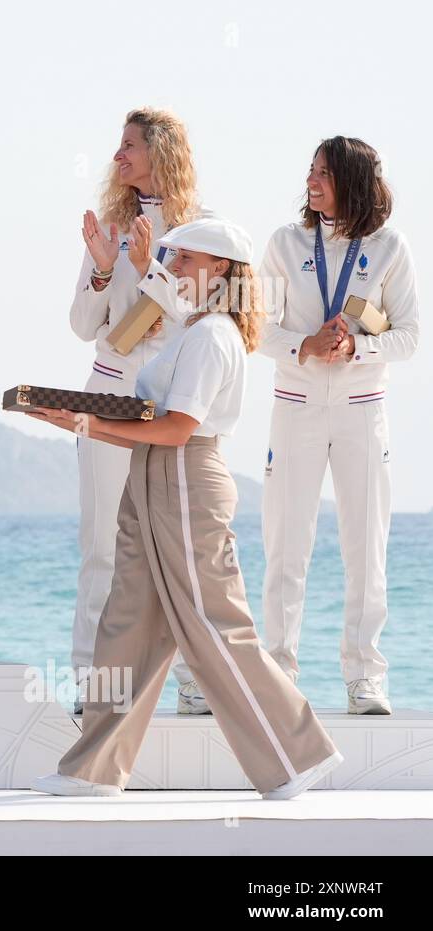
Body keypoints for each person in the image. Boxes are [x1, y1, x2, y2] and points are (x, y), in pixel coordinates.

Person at [27, 218, 343, 799]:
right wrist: (79, 421)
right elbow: (149, 428)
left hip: (185, 481)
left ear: (219, 268)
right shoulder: (190, 331)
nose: (170, 269)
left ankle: (299, 756)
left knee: (215, 624)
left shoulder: (212, 336)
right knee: (128, 625)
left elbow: (178, 430)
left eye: (182, 260)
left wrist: (89, 420)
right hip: (151, 478)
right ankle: (92, 771)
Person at [257, 137, 419, 715]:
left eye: (323, 173)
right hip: (295, 406)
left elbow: (409, 336)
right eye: (311, 170)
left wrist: (357, 347)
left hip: (361, 412)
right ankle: (277, 673)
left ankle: (364, 678)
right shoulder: (284, 243)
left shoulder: (389, 247)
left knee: (366, 547)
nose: (311, 181)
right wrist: (304, 344)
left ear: (353, 180)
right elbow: (256, 329)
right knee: (286, 546)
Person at [68, 107, 212, 714]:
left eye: (129, 145)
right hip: (105, 395)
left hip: (167, 407)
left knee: (174, 549)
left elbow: (200, 319)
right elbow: (82, 326)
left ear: (162, 153)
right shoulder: (110, 224)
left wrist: (152, 268)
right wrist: (105, 269)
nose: (118, 156)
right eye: (119, 145)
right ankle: (88, 681)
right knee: (102, 545)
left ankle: (190, 683)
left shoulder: (203, 231)